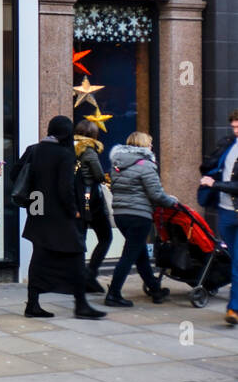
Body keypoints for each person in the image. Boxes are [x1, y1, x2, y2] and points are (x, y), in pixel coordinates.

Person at [20, 116, 106, 319]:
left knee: (39, 258)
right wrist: (74, 210)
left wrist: (35, 201)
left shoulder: (34, 150)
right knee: (76, 254)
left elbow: (18, 174)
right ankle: (81, 305)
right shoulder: (65, 154)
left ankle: (33, 304)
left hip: (38, 213)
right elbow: (65, 187)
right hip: (60, 217)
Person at [106, 131, 177, 307]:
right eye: (150, 144)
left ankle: (155, 289)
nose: (152, 147)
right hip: (139, 216)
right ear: (144, 145)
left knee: (140, 254)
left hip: (121, 215)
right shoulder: (146, 165)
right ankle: (113, 294)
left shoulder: (117, 164)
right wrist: (172, 202)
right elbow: (156, 194)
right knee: (129, 255)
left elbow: (114, 189)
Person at [200, 122, 238, 324]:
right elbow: (212, 166)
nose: (235, 131)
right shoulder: (229, 144)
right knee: (234, 259)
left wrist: (215, 184)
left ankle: (234, 308)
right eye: (233, 126)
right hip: (225, 212)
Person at [74, 118, 112, 293]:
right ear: (92, 135)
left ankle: (80, 276)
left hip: (75, 199)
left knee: (80, 239)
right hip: (91, 200)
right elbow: (98, 175)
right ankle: (89, 274)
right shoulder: (89, 150)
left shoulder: (69, 148)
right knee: (105, 237)